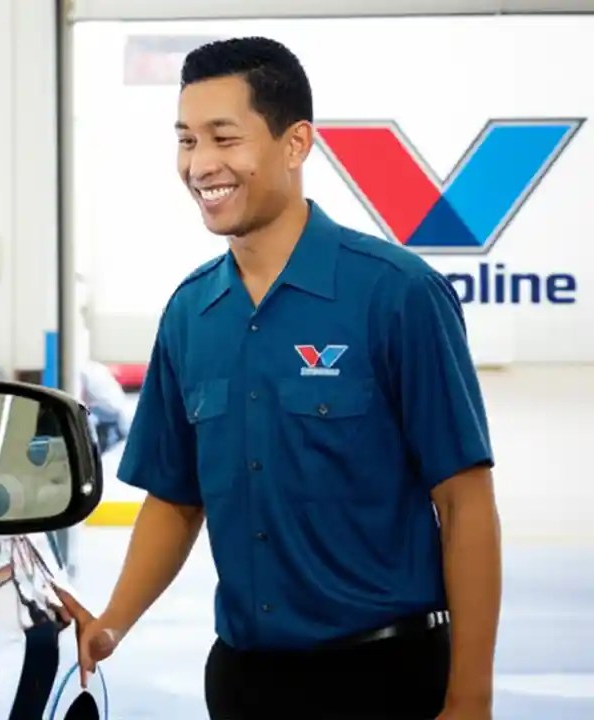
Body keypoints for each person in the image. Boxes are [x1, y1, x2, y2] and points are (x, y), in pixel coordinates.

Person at [76, 37, 502, 720]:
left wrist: (470, 697)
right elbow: (176, 498)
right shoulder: (190, 314)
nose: (200, 164)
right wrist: (114, 621)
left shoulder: (397, 295)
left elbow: (465, 502)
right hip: (245, 681)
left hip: (385, 679)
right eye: (186, 141)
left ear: (296, 143)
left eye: (224, 138)